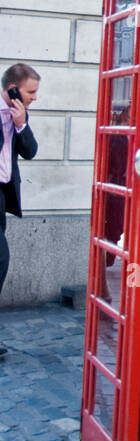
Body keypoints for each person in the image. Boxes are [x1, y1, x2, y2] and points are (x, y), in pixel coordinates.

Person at [0, 64, 40, 348]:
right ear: (12, 89)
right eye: (31, 92)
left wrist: (20, 124)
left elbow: (30, 151)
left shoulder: (19, 115)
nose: (35, 97)